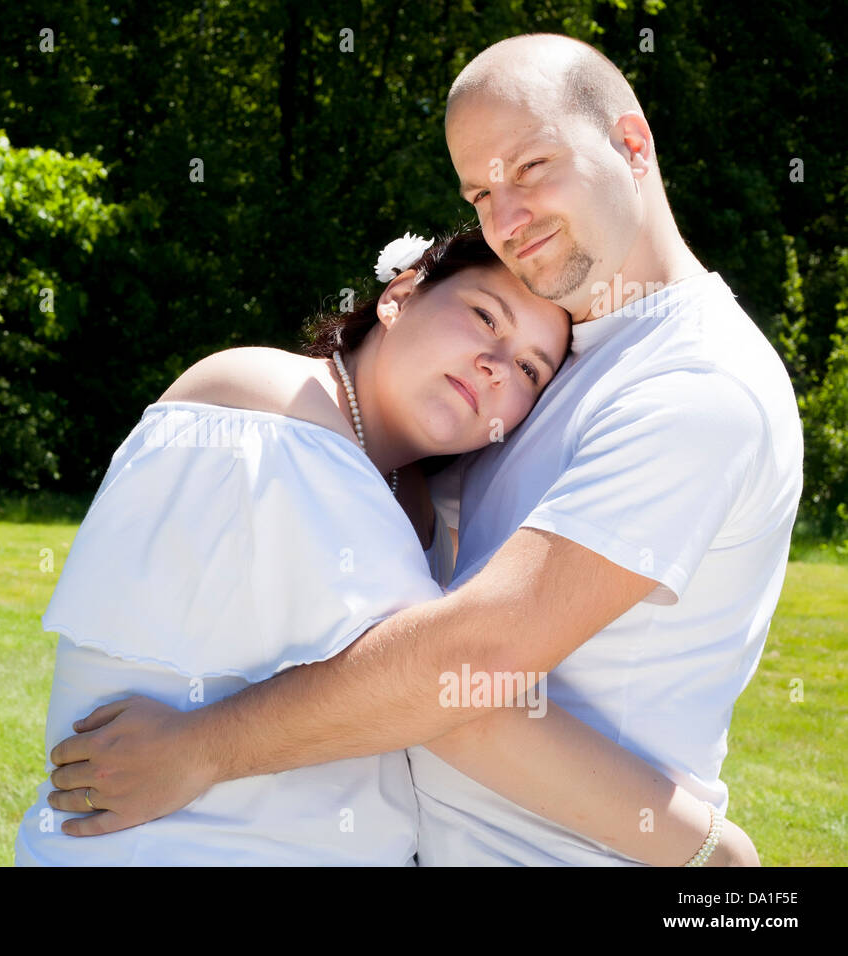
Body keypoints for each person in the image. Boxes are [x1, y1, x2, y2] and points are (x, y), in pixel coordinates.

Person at [46, 33, 799, 867]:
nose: (506, 218)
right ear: (402, 292)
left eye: (533, 166)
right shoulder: (554, 371)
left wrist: (710, 857)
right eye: (480, 190)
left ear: (631, 144)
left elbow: (462, 664)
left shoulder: (696, 383)